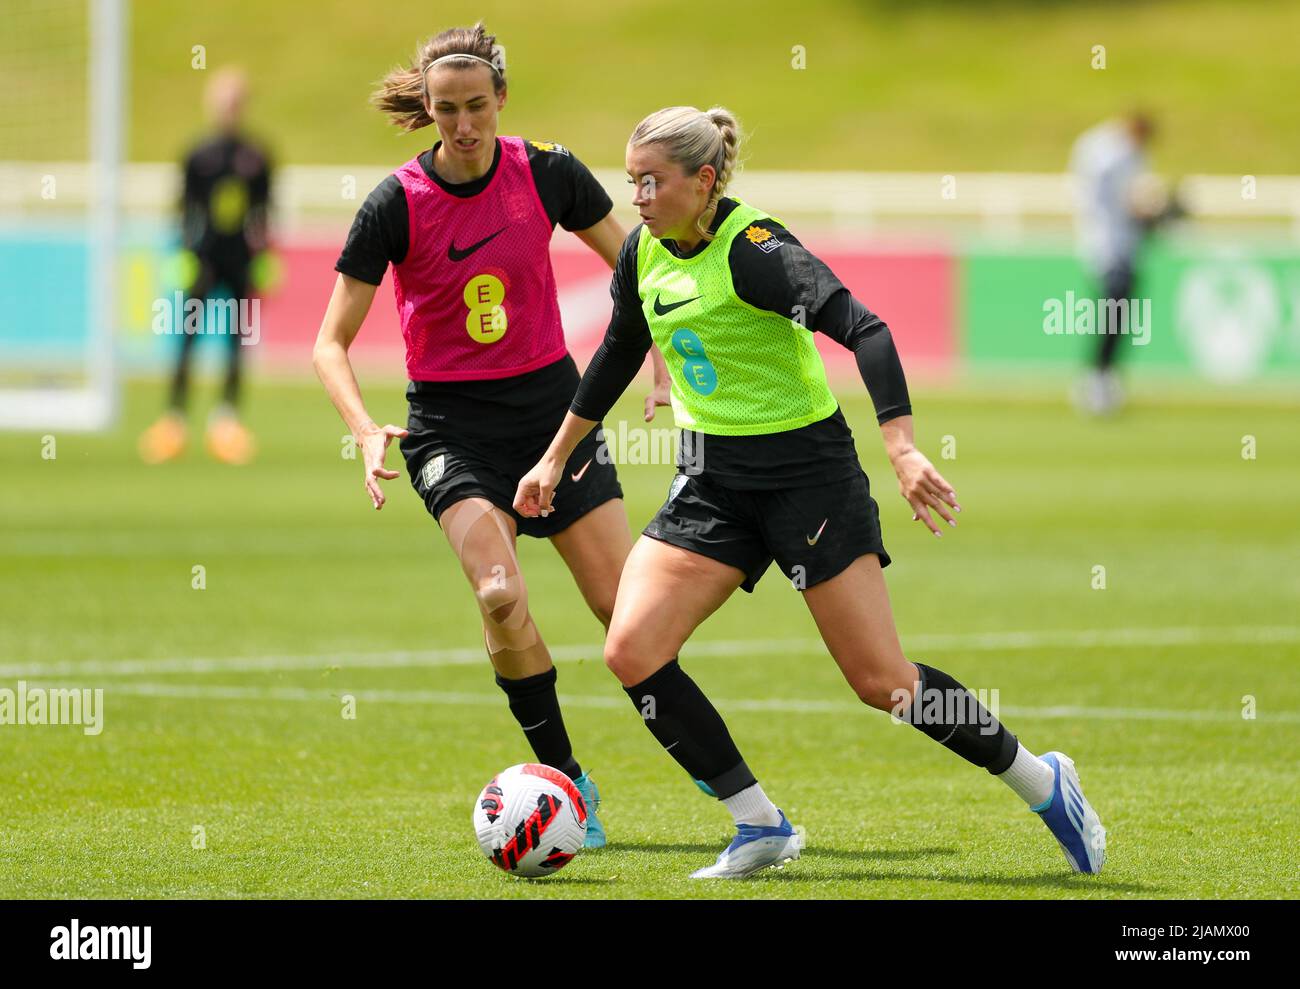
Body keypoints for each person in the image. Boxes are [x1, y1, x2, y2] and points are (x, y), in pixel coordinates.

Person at [515, 105, 1107, 878]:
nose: (639, 198)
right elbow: (618, 354)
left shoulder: (757, 251)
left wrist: (900, 447)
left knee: (883, 682)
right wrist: (555, 458)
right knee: (631, 648)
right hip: (712, 481)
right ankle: (758, 823)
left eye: (652, 182)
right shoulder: (642, 255)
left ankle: (1041, 778)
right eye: (632, 182)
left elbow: (868, 328)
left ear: (704, 180)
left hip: (808, 478)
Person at [312, 23, 669, 848]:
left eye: (477, 106)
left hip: (553, 413)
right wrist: (365, 428)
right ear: (429, 109)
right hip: (450, 427)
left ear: (501, 99)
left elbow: (639, 266)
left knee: (626, 617)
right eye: (446, 110)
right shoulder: (395, 203)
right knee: (498, 595)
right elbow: (329, 342)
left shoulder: (545, 171)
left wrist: (658, 355)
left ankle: (730, 792)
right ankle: (567, 781)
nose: (463, 125)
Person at [140, 66, 272, 465]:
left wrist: (263, 257)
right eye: (223, 100)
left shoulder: (257, 156)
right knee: (187, 339)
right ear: (212, 104)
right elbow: (183, 210)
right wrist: (183, 253)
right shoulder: (198, 155)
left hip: (239, 263)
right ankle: (174, 421)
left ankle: (226, 423)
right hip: (202, 262)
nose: (229, 108)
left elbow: (265, 214)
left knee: (236, 342)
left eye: (235, 100)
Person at [1069, 111, 1168, 415]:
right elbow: (1116, 199)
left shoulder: (1129, 154)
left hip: (1125, 245)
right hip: (1105, 244)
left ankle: (1104, 375)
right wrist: (1148, 210)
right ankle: (1096, 378)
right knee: (1112, 310)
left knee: (1119, 313)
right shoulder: (1108, 152)